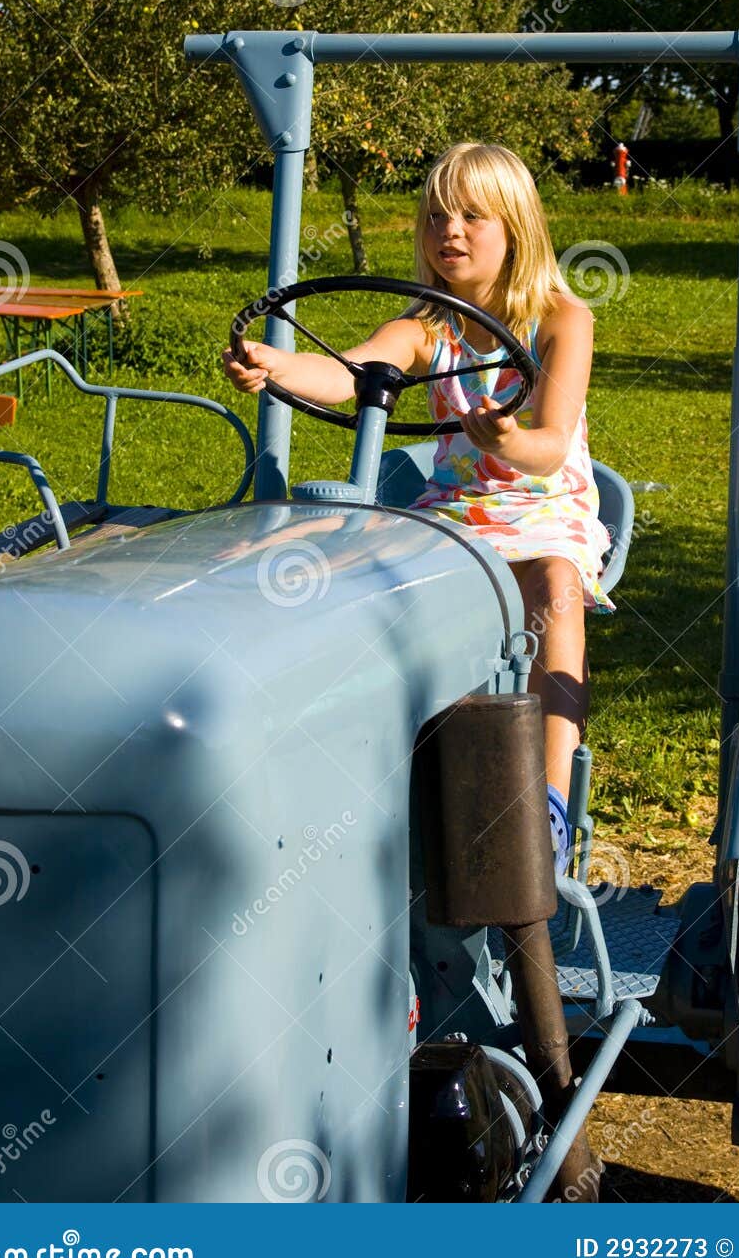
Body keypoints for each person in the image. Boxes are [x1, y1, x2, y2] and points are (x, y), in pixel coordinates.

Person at [223, 140, 615, 870]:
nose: (450, 232)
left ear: (517, 228)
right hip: (454, 508)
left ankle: (549, 806)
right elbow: (346, 374)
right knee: (357, 580)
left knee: (555, 587)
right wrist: (278, 364)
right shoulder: (424, 328)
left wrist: (506, 437)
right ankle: (372, 778)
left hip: (541, 504)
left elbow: (552, 446)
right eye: (436, 216)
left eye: (472, 216)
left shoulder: (560, 320)